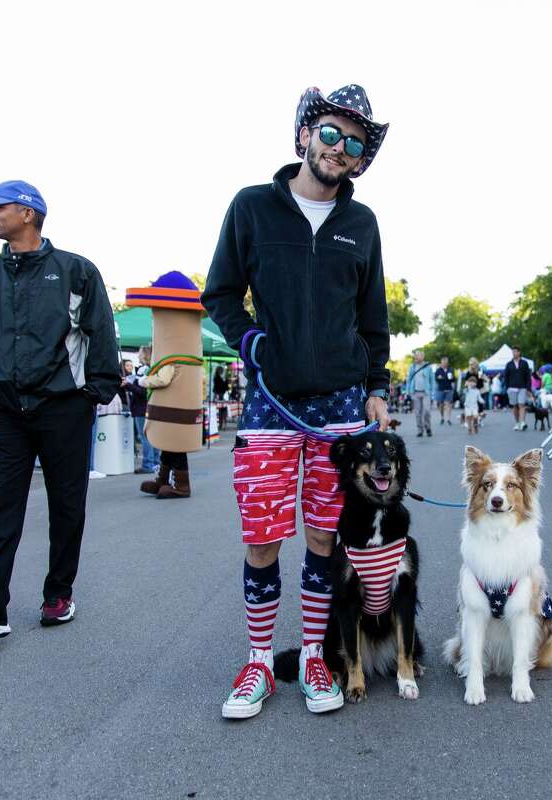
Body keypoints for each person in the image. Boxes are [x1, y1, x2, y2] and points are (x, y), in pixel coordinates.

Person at [203, 84, 391, 719]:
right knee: (262, 538)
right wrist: (250, 341)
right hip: (270, 403)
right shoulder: (252, 207)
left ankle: (313, 655)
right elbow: (219, 293)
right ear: (306, 135)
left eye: (354, 143)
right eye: (331, 133)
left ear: (361, 159)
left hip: (341, 407)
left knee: (324, 538)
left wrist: (376, 387)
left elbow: (373, 318)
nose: (340, 148)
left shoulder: (362, 224)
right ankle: (259, 663)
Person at [0, 180, 118, 640]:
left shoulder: (75, 270)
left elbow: (100, 333)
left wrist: (94, 392)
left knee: (67, 505)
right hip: (3, 409)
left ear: (28, 213)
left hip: (64, 407)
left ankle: (59, 593)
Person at [136, 351, 193, 500]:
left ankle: (182, 486)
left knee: (175, 446)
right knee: (168, 447)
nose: (138, 356)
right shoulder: (172, 360)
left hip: (173, 408)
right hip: (172, 407)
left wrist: (143, 381)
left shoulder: (167, 361)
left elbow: (163, 379)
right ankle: (163, 479)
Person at [120, 358, 152, 475]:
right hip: (144, 408)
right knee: (149, 437)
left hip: (141, 409)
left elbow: (142, 392)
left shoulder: (144, 371)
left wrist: (128, 385)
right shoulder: (149, 369)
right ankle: (154, 462)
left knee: (145, 437)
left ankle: (149, 463)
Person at [503, 346, 534, 431]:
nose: (514, 353)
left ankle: (523, 422)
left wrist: (528, 388)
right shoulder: (509, 364)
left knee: (521, 404)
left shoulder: (524, 363)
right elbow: (506, 377)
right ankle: (517, 423)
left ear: (519, 352)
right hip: (511, 388)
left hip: (522, 387)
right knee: (515, 406)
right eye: (513, 352)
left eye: (515, 352)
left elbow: (528, 376)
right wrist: (507, 388)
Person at [405, 348, 434, 437]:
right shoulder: (412, 367)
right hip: (415, 392)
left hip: (426, 393)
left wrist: (432, 392)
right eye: (415, 356)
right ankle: (420, 430)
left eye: (417, 356)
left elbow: (432, 380)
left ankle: (428, 428)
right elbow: (409, 379)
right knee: (417, 412)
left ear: (422, 356)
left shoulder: (428, 367)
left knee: (427, 411)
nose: (415, 357)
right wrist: (407, 391)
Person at [434, 356, 454, 426]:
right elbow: (435, 378)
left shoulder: (450, 369)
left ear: (447, 363)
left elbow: (453, 379)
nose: (445, 364)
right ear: (441, 362)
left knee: (448, 404)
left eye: (446, 362)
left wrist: (452, 378)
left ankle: (448, 419)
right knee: (441, 404)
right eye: (443, 362)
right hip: (440, 389)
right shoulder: (438, 370)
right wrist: (438, 378)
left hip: (448, 388)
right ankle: (442, 417)